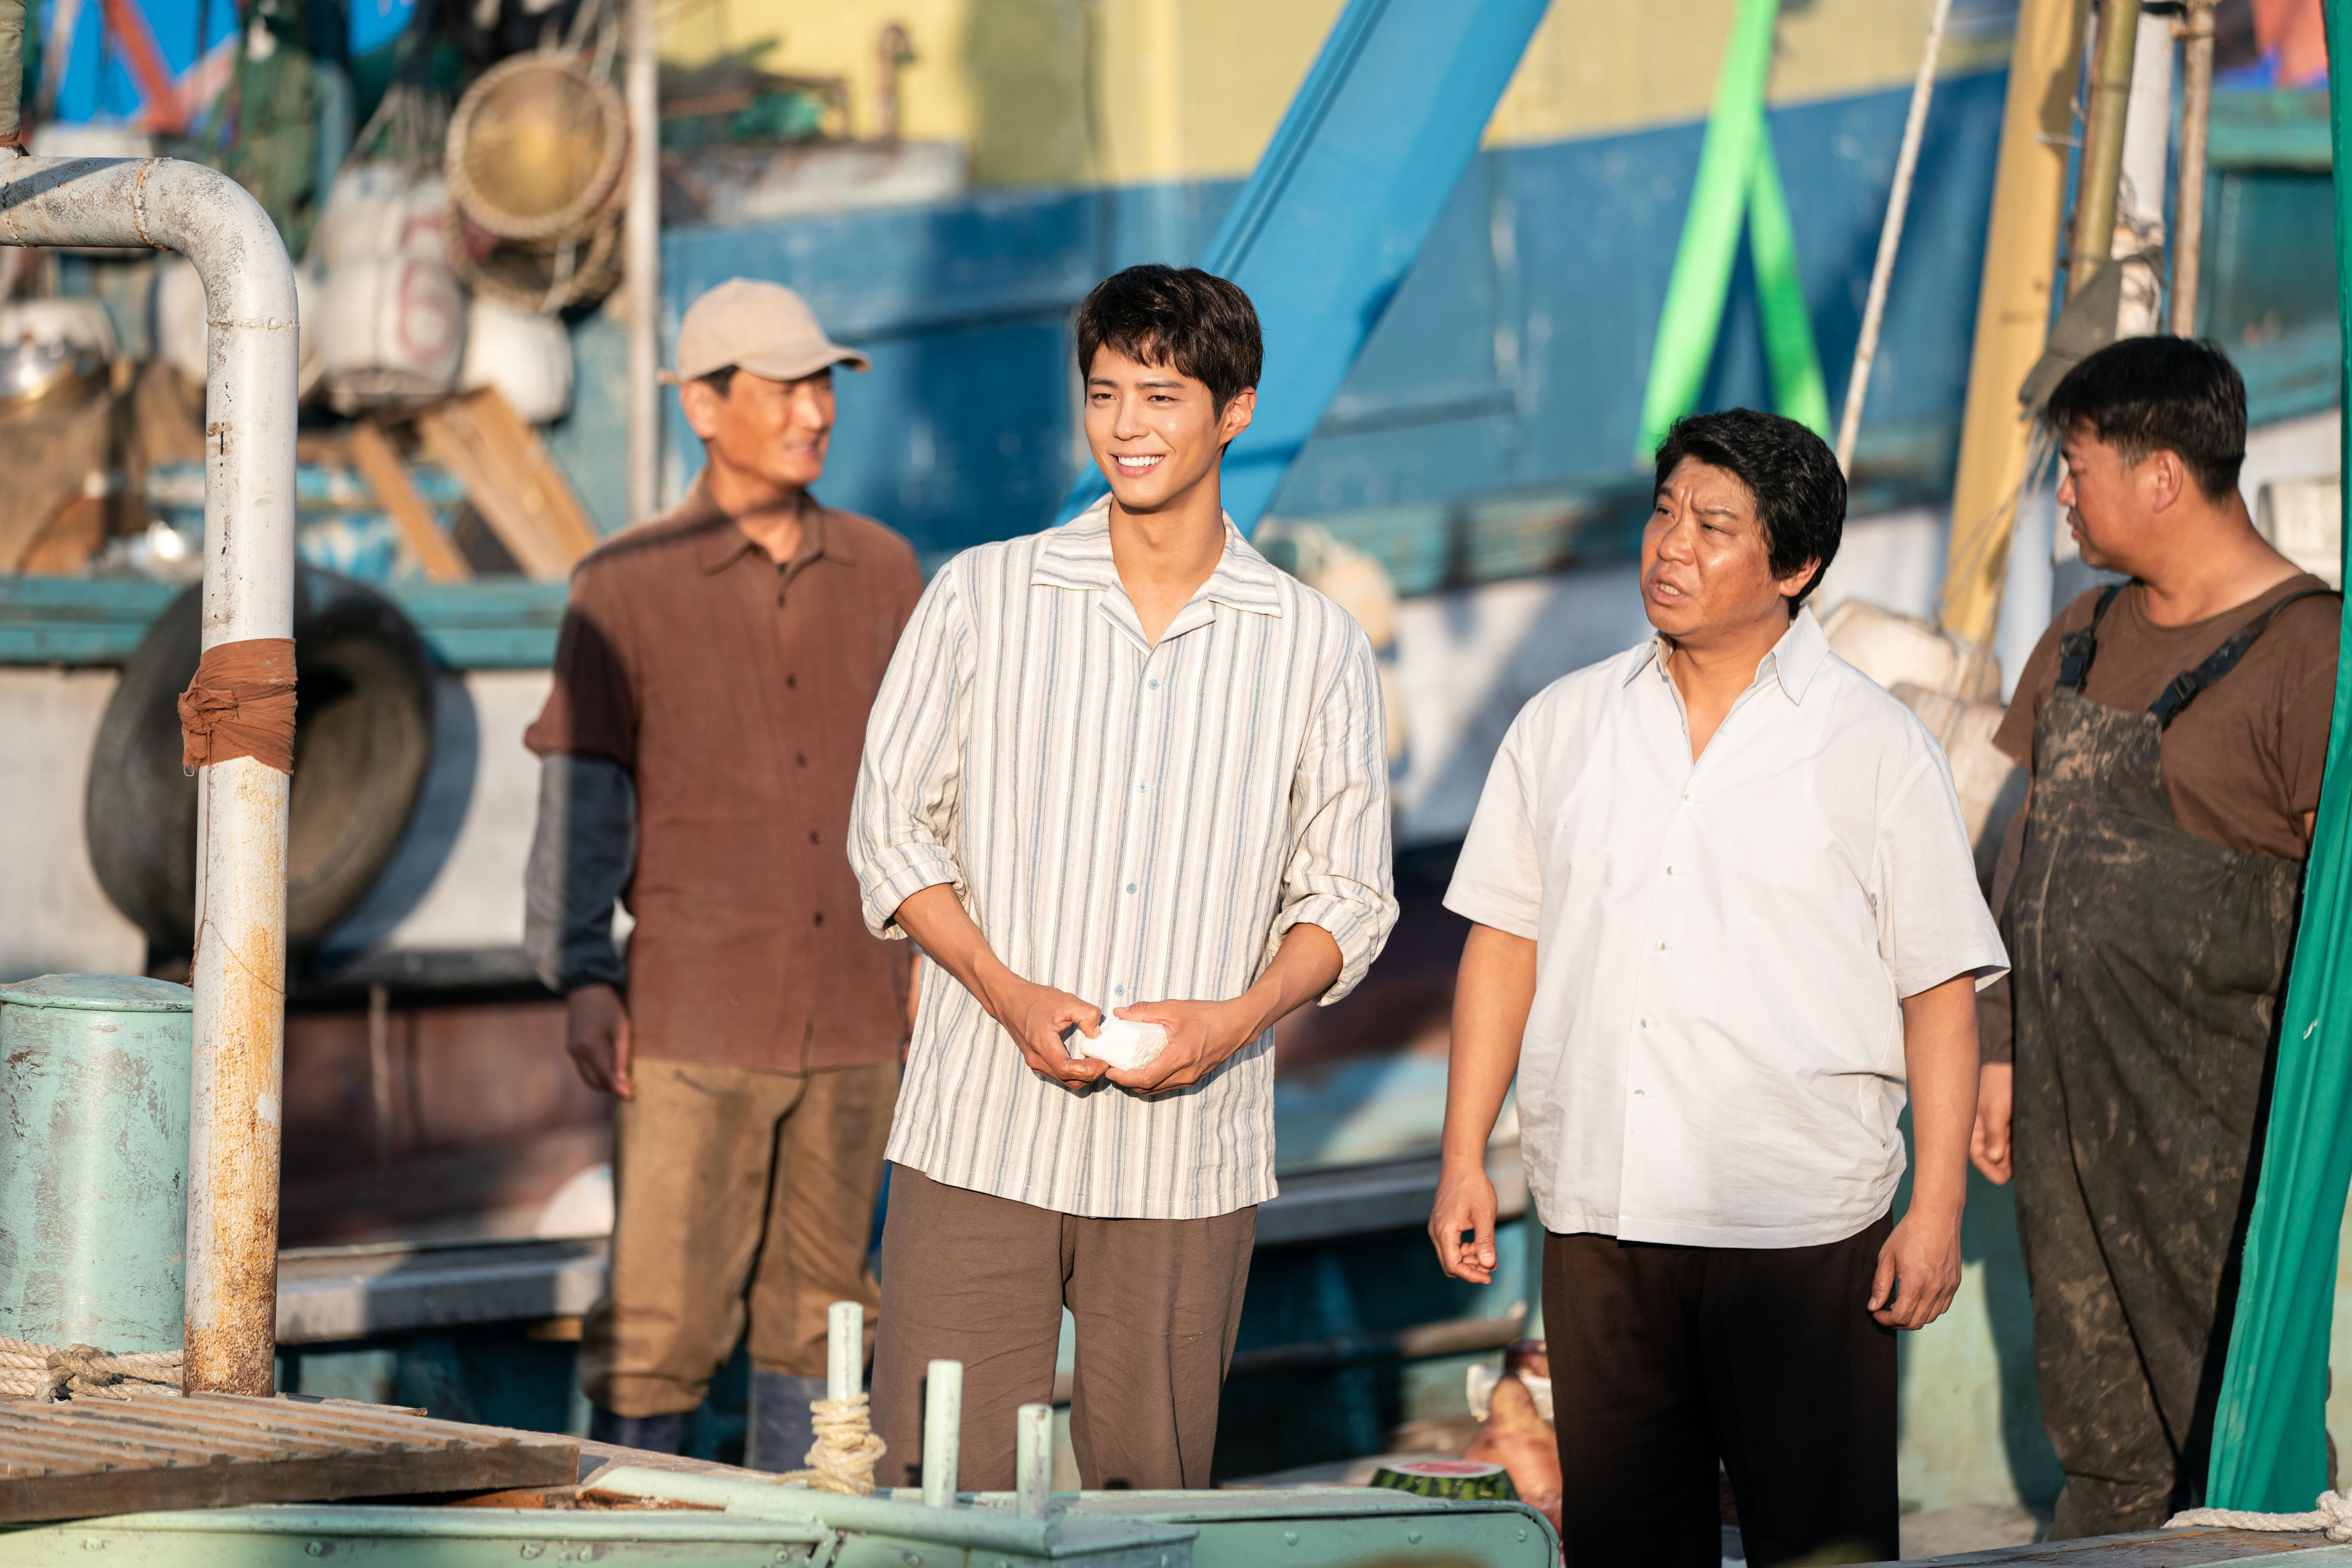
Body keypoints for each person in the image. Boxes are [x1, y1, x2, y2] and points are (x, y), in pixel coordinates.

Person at [848, 263, 1397, 1491]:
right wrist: (1000, 988)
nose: (1128, 428)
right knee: (935, 1495)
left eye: (1162, 395)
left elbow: (1350, 895)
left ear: (1236, 410)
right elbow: (889, 829)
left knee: (1147, 1501)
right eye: (1105, 396)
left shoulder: (1311, 643)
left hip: (1188, 1150)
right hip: (979, 1129)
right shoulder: (985, 596)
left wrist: (1237, 1018)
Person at [1427, 408, 2006, 1567]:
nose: (1671, 546)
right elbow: (1503, 944)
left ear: (1794, 567)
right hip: (1603, 1213)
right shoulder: (1564, 725)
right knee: (1631, 1546)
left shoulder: (1875, 745)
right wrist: (1462, 1158)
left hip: (1798, 1227)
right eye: (1664, 512)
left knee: (1818, 1546)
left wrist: (1934, 1210)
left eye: (1714, 526)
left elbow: (1939, 988)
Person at [522, 277, 924, 1468]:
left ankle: (808, 1543)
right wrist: (582, 973)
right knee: (659, 1322)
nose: (815, 411)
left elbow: (937, 790)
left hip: (862, 1011)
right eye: (784, 386)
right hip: (693, 1018)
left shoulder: (887, 570)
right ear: (702, 404)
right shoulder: (623, 584)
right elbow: (581, 799)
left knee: (827, 1314)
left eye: (823, 384)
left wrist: (934, 962)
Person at [1971, 336, 2341, 1537]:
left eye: (2075, 469)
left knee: (2234, 1398)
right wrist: (1997, 1043)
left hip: (2219, 1120)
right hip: (2066, 1105)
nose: (2062, 497)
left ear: (2163, 476)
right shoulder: (2079, 634)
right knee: (2097, 1404)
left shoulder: (2311, 652)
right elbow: (2017, 855)